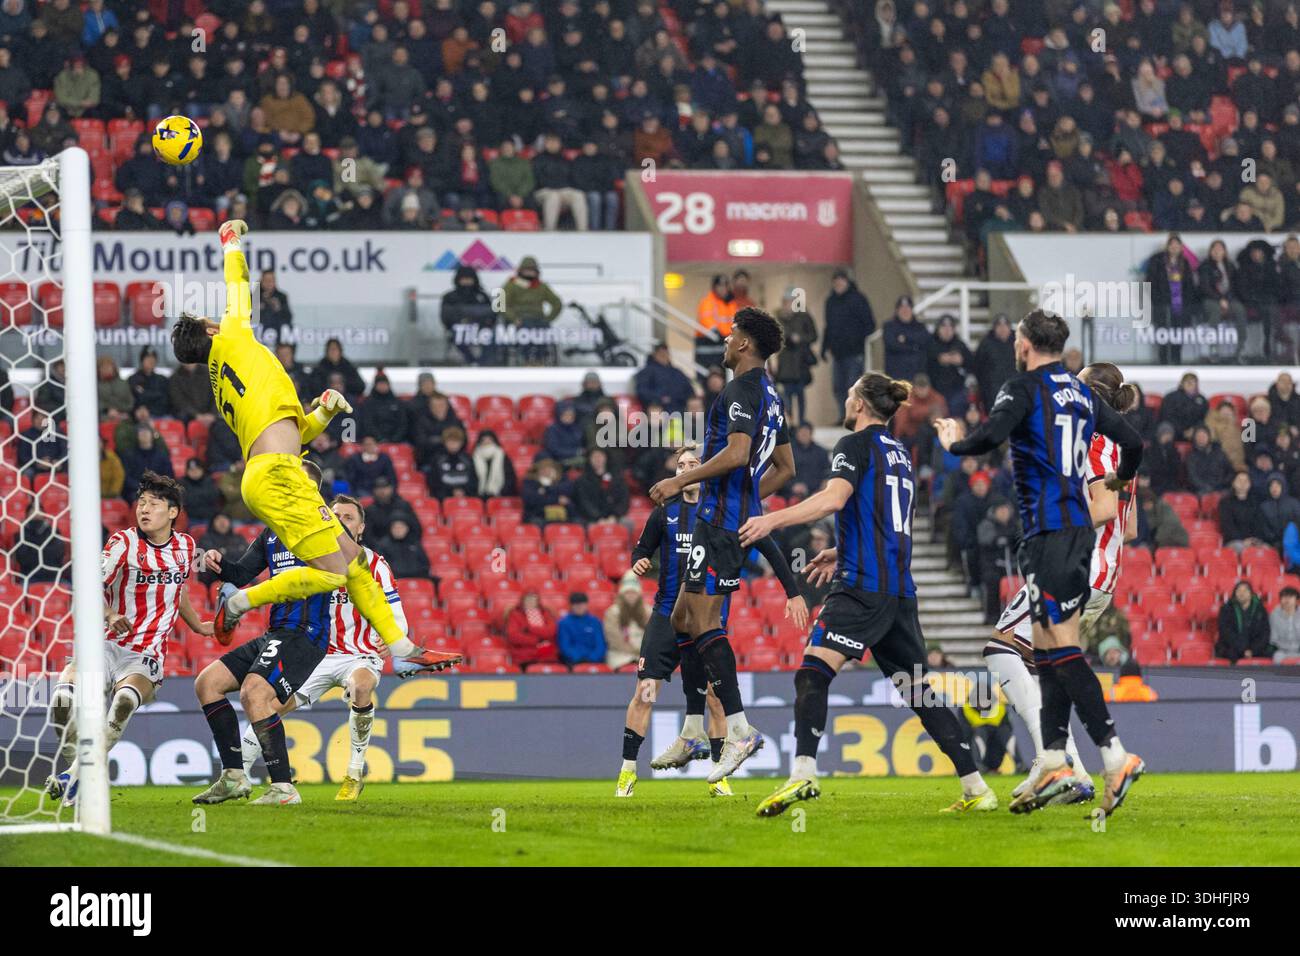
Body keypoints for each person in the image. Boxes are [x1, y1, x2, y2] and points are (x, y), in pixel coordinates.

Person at [168, 220, 427, 668]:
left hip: (275, 469)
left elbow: (288, 433)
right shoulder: (232, 339)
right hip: (277, 475)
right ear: (209, 331)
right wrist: (232, 243)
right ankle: (239, 603)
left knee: (354, 560)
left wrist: (322, 413)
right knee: (334, 572)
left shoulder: (225, 382)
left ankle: (403, 649)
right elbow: (239, 287)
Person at [741, 372, 996, 816]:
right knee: (919, 693)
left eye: (847, 392)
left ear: (859, 404)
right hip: (897, 589)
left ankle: (802, 775)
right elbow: (886, 518)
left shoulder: (853, 446)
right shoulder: (900, 454)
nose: (844, 398)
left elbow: (833, 500)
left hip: (862, 589)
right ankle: (977, 788)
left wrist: (771, 520)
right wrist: (843, 549)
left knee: (812, 673)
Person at [937, 310, 1145, 816]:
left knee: (1006, 651)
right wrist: (1117, 490)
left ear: (1026, 342)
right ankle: (1056, 758)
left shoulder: (1045, 399)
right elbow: (1130, 512)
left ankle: (1103, 758)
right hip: (1095, 566)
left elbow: (990, 438)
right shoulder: (1097, 421)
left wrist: (952, 444)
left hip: (1060, 545)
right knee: (1051, 656)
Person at [648, 308, 795, 783]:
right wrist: (749, 499)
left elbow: (736, 454)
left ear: (746, 346)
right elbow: (786, 468)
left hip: (719, 526)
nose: (726, 342)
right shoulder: (771, 396)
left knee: (704, 620)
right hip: (723, 520)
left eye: (732, 335)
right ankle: (694, 730)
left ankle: (739, 728)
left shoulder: (739, 391)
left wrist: (681, 482)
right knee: (682, 617)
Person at [984, 361, 1141, 803]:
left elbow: (1105, 508)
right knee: (1049, 663)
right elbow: (1128, 529)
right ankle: (1065, 765)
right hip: (1104, 575)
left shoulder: (1092, 440)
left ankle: (1058, 760)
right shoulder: (1123, 447)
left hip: (1075, 563)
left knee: (1000, 648)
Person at [235, 495, 456, 802]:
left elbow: (396, 615)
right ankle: (237, 774)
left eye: (348, 517)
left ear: (361, 527)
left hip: (360, 653)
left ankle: (354, 773)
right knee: (269, 707)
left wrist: (393, 640)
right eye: (334, 514)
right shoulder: (310, 559)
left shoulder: (375, 565)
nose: (339, 520)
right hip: (317, 654)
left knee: (361, 686)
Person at [622, 445, 806, 797]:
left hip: (709, 616)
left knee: (716, 699)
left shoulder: (722, 514)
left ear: (704, 471)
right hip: (666, 614)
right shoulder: (665, 514)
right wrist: (640, 560)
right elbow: (642, 549)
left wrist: (792, 591)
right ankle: (629, 772)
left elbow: (767, 544)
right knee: (646, 690)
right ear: (677, 474)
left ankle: (717, 774)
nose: (687, 469)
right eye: (682, 465)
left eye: (694, 464)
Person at [45, 473, 210, 804]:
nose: (144, 509)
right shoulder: (123, 542)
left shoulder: (186, 546)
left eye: (154, 503)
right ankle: (78, 769)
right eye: (141, 502)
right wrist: (109, 615)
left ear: (173, 512)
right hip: (103, 645)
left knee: (123, 703)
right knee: (62, 701)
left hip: (145, 653)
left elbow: (178, 592)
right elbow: (92, 587)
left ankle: (73, 776)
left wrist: (197, 627)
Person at [821, 269, 876, 406]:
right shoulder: (830, 302)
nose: (838, 284)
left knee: (852, 385)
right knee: (838, 386)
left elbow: (869, 324)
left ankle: (854, 414)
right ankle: (843, 415)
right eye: (836, 282)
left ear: (847, 282)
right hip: (837, 353)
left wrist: (857, 340)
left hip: (854, 352)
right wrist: (825, 346)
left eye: (841, 281)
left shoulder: (858, 299)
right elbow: (828, 326)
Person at [773, 287, 817, 426]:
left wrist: (800, 338)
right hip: (785, 362)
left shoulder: (804, 316)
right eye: (786, 301)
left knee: (800, 393)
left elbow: (813, 335)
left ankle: (802, 421)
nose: (788, 304)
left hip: (800, 361)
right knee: (786, 394)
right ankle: (790, 422)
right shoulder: (778, 318)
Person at [1216, 580, 1274, 663]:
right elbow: (1225, 632)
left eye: (1245, 590)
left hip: (1255, 649)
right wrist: (1243, 649)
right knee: (1227, 652)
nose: (1242, 593)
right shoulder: (1226, 609)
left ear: (1251, 594)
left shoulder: (1260, 609)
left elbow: (1265, 633)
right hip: (1233, 648)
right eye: (1239, 590)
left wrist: (1253, 651)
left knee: (1270, 652)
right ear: (1235, 593)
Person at [633, 342, 694, 415]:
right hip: (657, 411)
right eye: (660, 353)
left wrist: (676, 399)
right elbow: (642, 392)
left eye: (665, 353)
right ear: (654, 355)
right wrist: (660, 400)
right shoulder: (646, 372)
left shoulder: (677, 372)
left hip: (678, 410)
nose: (663, 355)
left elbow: (689, 391)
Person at [882, 295, 930, 383]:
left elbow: (925, 341)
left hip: (917, 375)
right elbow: (892, 345)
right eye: (902, 308)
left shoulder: (920, 327)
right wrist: (914, 346)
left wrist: (905, 339)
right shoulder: (889, 326)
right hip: (895, 375)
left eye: (908, 308)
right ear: (897, 310)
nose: (905, 311)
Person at [505, 592, 560, 668]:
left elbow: (551, 631)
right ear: (523, 601)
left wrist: (529, 629)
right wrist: (536, 640)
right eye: (528, 600)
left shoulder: (545, 613)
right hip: (524, 655)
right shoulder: (515, 615)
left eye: (533, 600)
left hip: (546, 653)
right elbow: (513, 636)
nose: (530, 603)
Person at [426, 425, 477, 499]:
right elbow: (433, 481)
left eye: (456, 441)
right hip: (443, 499)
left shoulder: (467, 459)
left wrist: (464, 491)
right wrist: (450, 491)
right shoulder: (437, 459)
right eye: (450, 441)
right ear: (444, 442)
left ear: (461, 443)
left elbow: (473, 480)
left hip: (466, 497)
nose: (453, 444)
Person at [557, 592, 605, 666]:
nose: (579, 607)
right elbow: (565, 645)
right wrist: (578, 658)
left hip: (594, 660)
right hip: (573, 660)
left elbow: (600, 644)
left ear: (586, 605)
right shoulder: (564, 623)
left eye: (582, 604)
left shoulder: (595, 621)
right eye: (576, 605)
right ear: (571, 606)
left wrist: (592, 658)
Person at [181, 457, 221, 523]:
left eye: (197, 469)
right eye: (191, 470)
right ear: (187, 471)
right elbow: (187, 501)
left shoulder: (209, 480)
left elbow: (214, 497)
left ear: (202, 470)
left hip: (210, 517)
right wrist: (203, 496)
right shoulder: (182, 483)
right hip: (191, 518)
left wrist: (195, 496)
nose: (195, 472)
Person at [1270, 586, 1300, 662]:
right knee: (1277, 658)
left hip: (1299, 650)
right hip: (1281, 651)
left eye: (1290, 597)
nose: (1287, 600)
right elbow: (1273, 638)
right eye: (1284, 597)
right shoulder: (1274, 615)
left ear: (1296, 600)